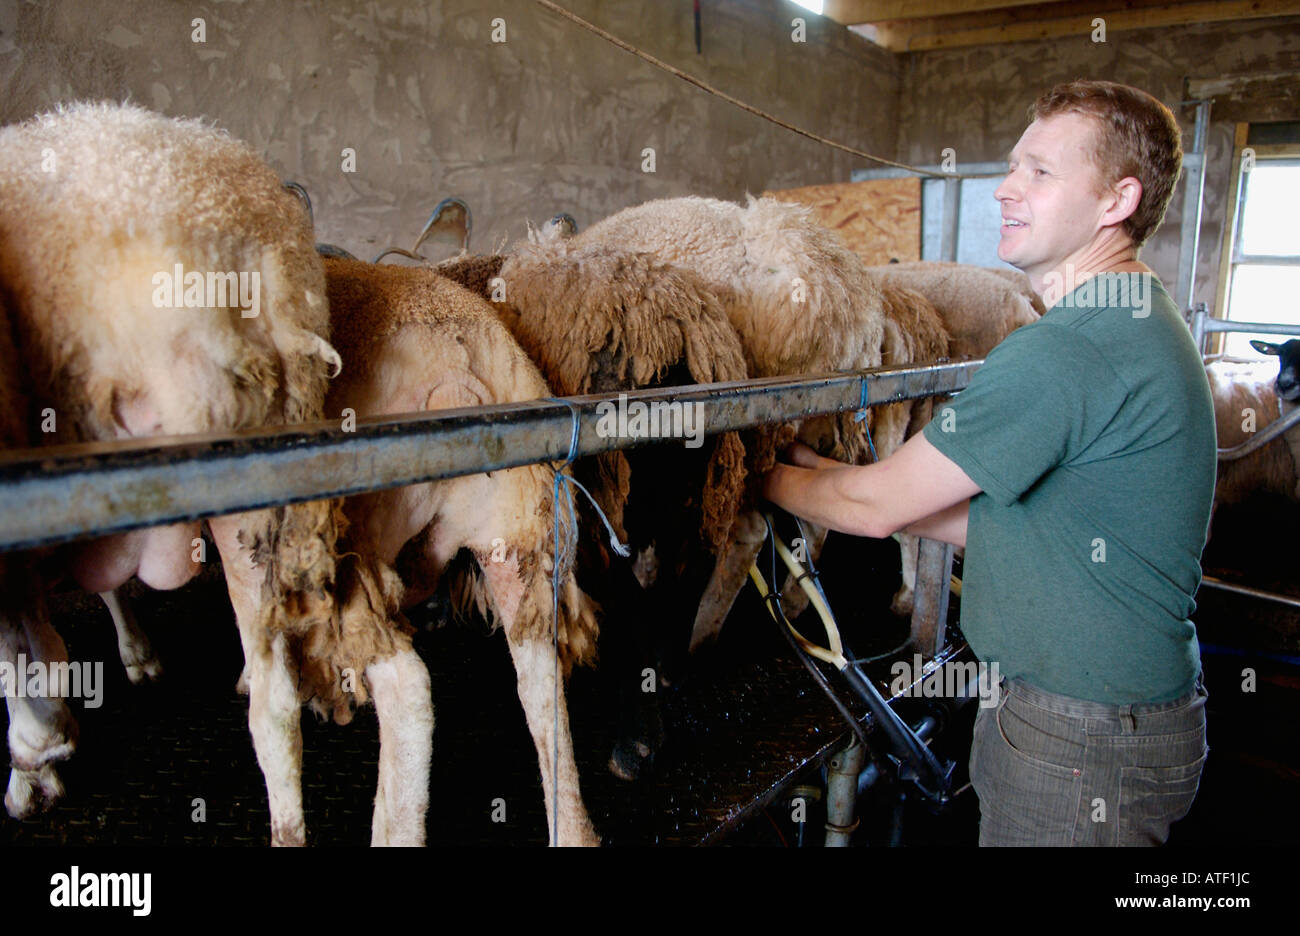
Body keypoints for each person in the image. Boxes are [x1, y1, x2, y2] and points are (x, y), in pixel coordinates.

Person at [762, 79, 1216, 846]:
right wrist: (814, 468)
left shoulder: (1069, 348)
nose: (1007, 188)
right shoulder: (1136, 317)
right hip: (1125, 715)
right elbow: (1030, 528)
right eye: (1014, 166)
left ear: (1117, 201)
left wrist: (761, 475)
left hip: (1078, 742)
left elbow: (875, 510)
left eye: (1040, 171)